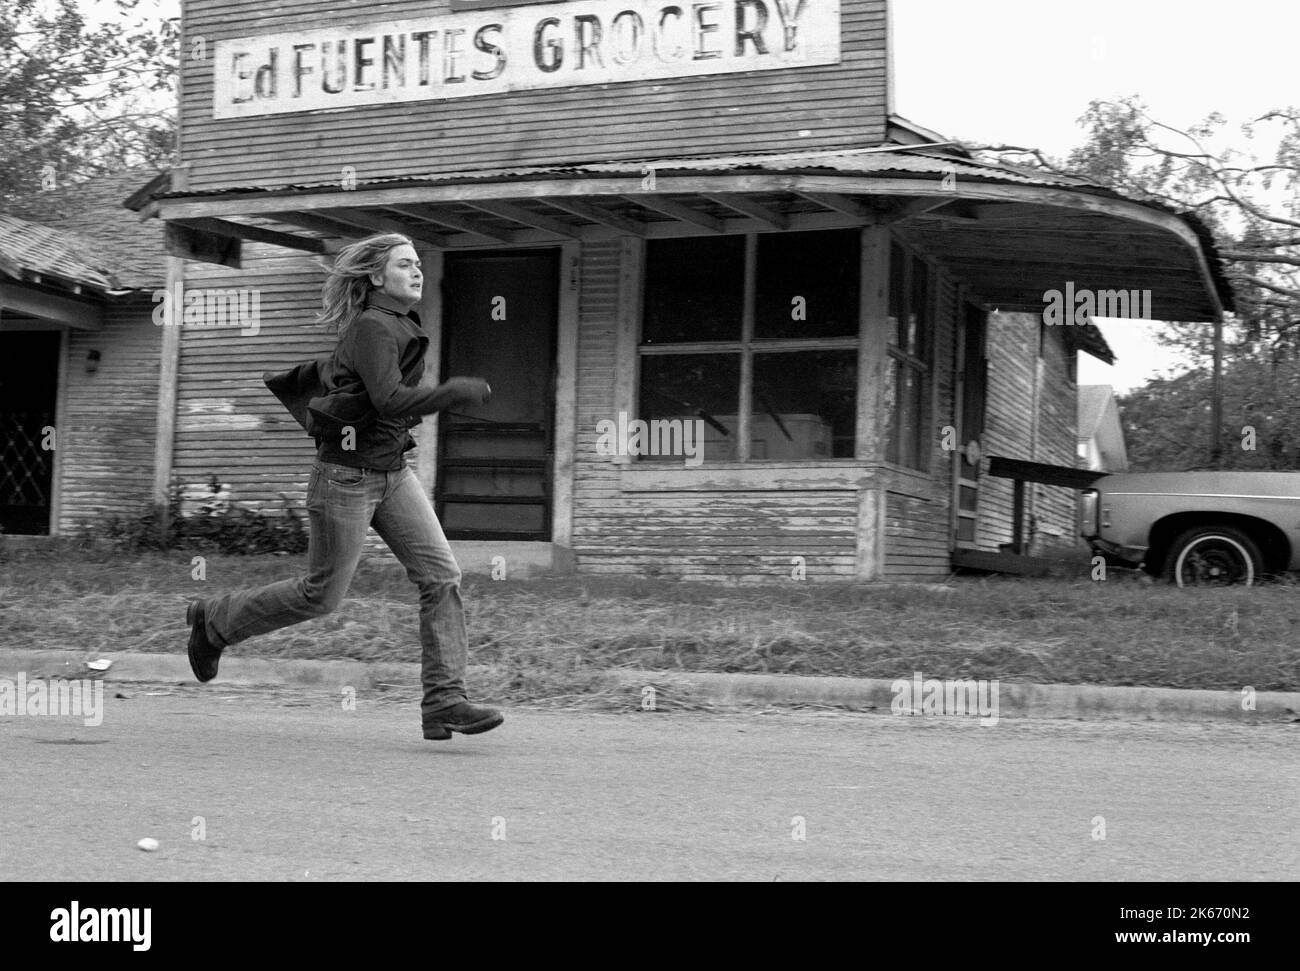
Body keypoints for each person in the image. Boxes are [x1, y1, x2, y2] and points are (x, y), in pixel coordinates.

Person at [184, 232, 503, 741]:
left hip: (392, 473)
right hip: (346, 477)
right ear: (377, 277)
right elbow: (389, 399)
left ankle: (444, 701)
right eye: (404, 265)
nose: (417, 271)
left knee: (441, 576)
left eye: (419, 263)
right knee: (322, 595)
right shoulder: (374, 327)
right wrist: (451, 393)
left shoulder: (397, 322)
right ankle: (215, 622)